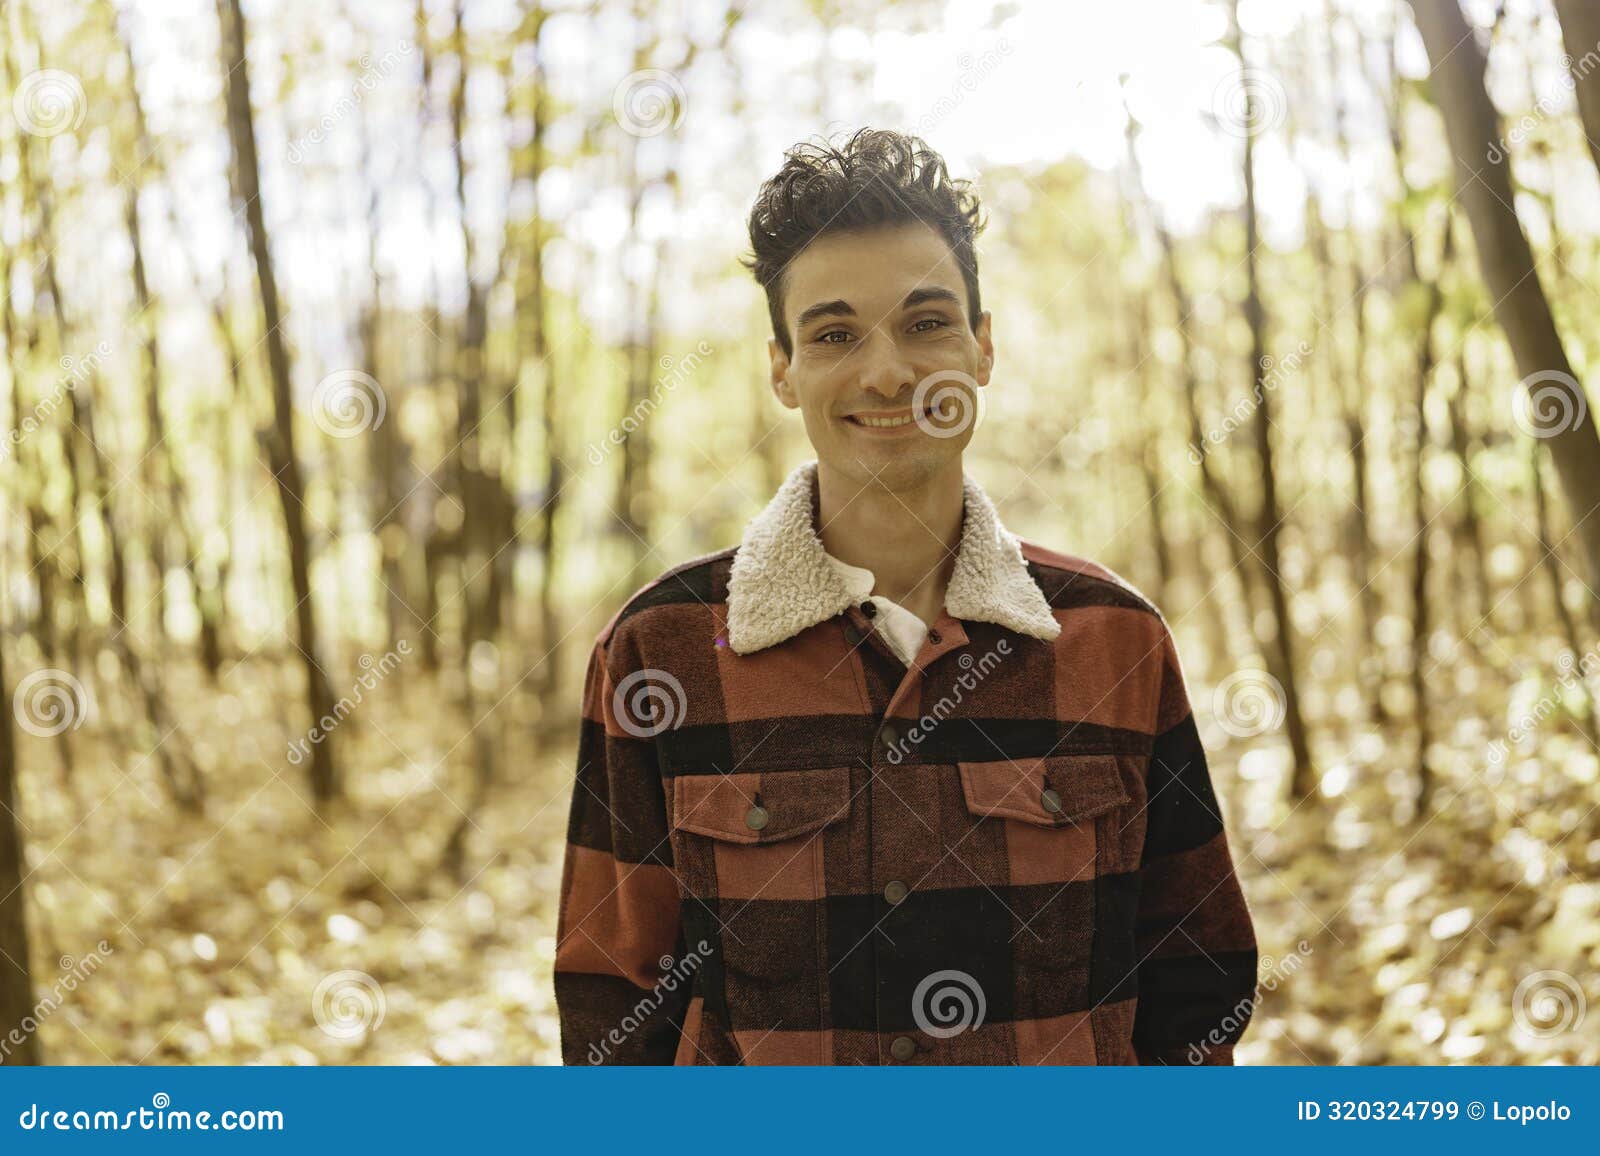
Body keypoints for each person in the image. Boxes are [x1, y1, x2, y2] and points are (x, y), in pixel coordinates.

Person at [554, 127, 1257, 1065]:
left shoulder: (1114, 641)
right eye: (835, 333)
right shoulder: (662, 650)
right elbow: (613, 1003)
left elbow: (1197, 978)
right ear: (782, 369)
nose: (887, 372)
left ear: (982, 349)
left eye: (926, 323)